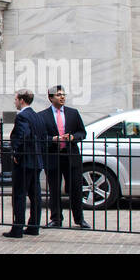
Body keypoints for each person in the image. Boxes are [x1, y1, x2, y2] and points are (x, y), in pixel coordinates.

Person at [38, 85, 90, 228]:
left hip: (71, 156)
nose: (62, 97)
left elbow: (82, 133)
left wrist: (73, 137)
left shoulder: (73, 113)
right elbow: (40, 137)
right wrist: (52, 139)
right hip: (53, 156)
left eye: (64, 95)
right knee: (54, 190)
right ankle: (56, 219)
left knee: (75, 188)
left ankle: (79, 219)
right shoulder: (42, 116)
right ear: (50, 98)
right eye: (58, 95)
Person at [5, 89, 45, 238]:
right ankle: (34, 226)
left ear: (21, 100)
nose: (15, 102)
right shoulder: (37, 116)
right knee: (35, 195)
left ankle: (17, 228)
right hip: (37, 160)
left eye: (15, 99)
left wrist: (17, 153)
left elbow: (22, 136)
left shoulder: (22, 116)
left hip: (24, 161)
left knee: (19, 195)